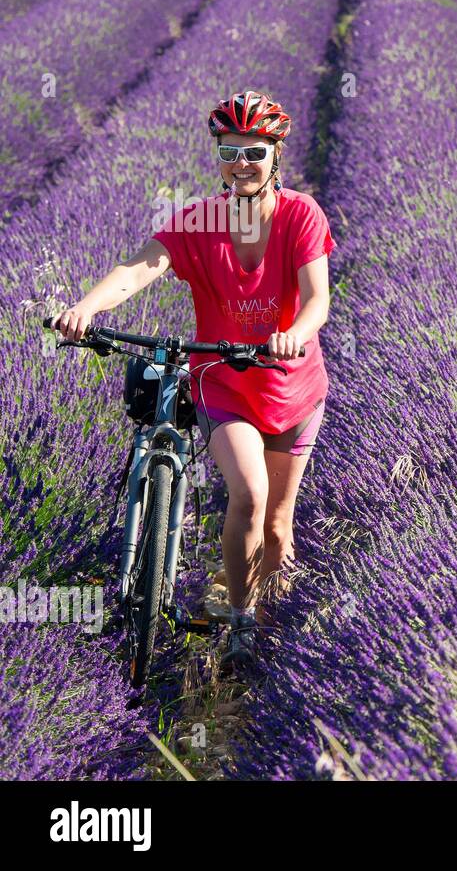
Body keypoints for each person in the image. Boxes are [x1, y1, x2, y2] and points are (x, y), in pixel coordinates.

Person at [51, 90, 335, 673]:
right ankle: (241, 621)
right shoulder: (201, 219)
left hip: (292, 384)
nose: (241, 163)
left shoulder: (301, 214)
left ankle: (280, 641)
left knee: (279, 528)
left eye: (252, 151)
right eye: (229, 151)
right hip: (225, 384)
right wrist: (87, 308)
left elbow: (317, 300)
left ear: (275, 152)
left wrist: (294, 333)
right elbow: (140, 268)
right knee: (249, 496)